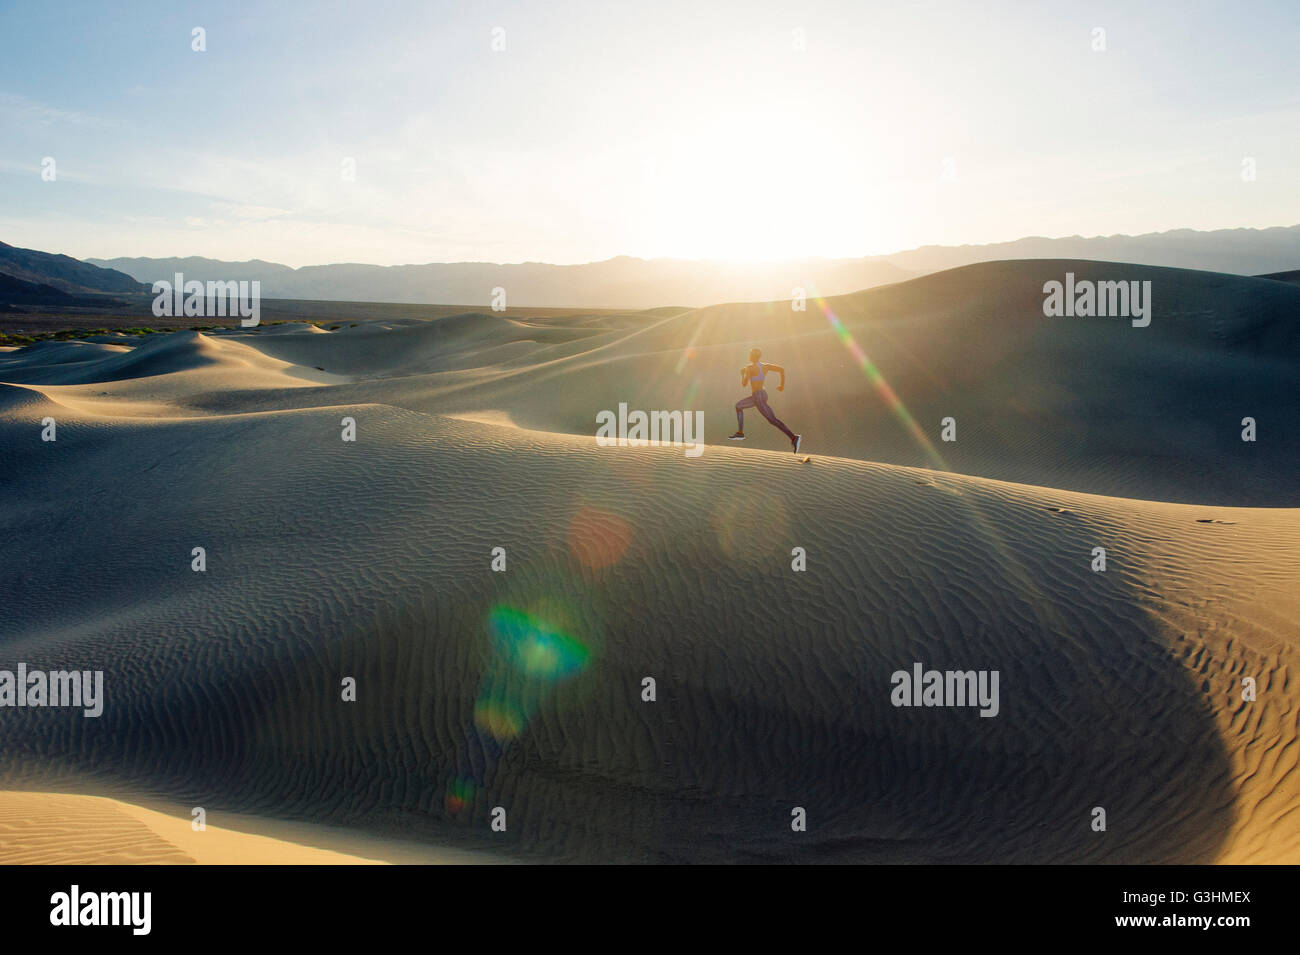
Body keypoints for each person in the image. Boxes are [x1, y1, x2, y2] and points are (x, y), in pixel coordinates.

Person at [728, 347, 802, 452]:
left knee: (772, 420)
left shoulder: (750, 368)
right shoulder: (765, 366)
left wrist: (742, 374)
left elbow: (744, 384)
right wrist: (782, 385)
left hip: (758, 397)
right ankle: (740, 433)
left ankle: (794, 437)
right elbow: (782, 370)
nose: (749, 356)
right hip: (762, 394)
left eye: (750, 354)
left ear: (752, 356)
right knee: (738, 406)